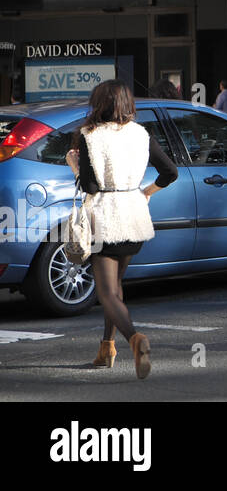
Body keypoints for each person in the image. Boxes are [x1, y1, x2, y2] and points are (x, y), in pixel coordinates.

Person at [65, 80, 178, 379]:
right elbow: (171, 172)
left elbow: (90, 186)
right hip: (134, 216)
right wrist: (147, 192)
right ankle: (106, 348)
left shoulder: (90, 136)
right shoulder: (141, 134)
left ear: (99, 104)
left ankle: (134, 338)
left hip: (105, 218)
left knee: (106, 294)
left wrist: (74, 166)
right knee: (115, 290)